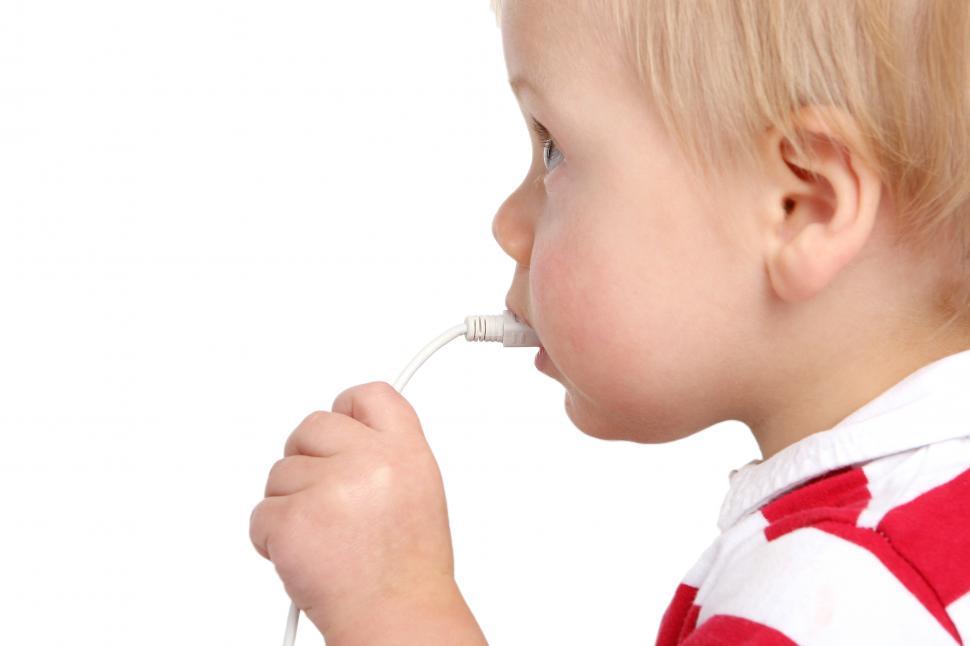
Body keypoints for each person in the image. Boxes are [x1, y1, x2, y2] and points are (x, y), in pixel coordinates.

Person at [250, 1, 970, 643]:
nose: (508, 224)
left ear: (799, 208)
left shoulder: (831, 596)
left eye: (555, 147)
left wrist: (393, 605)